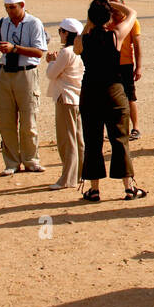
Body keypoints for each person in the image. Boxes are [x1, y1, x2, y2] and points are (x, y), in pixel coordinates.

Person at [74, 0, 144, 202]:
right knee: (120, 140)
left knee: (92, 141)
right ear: (108, 17)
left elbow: (78, 46)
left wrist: (90, 19)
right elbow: (132, 13)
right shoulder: (116, 36)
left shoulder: (82, 40)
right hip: (113, 91)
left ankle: (94, 190)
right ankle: (129, 188)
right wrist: (113, 5)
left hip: (90, 92)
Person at [0, 0, 49, 175]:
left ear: (22, 6)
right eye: (7, 7)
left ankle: (31, 160)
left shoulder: (34, 23)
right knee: (6, 121)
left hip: (26, 74)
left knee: (28, 121)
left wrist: (14, 48)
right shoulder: (1, 23)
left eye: (12, 7)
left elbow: (39, 52)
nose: (10, 11)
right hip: (5, 74)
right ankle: (11, 162)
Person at [45, 17, 85, 190]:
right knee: (78, 139)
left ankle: (67, 179)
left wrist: (51, 61)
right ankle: (81, 174)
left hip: (66, 98)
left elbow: (51, 74)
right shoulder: (82, 50)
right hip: (78, 97)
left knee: (67, 140)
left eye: (61, 31)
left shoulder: (67, 52)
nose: (60, 35)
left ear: (67, 33)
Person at [108, 0, 143, 140]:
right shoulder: (107, 23)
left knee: (130, 96)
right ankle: (115, 128)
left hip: (126, 64)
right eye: (112, 7)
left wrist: (139, 67)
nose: (115, 10)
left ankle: (135, 128)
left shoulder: (132, 22)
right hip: (109, 65)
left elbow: (137, 45)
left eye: (117, 6)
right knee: (110, 98)